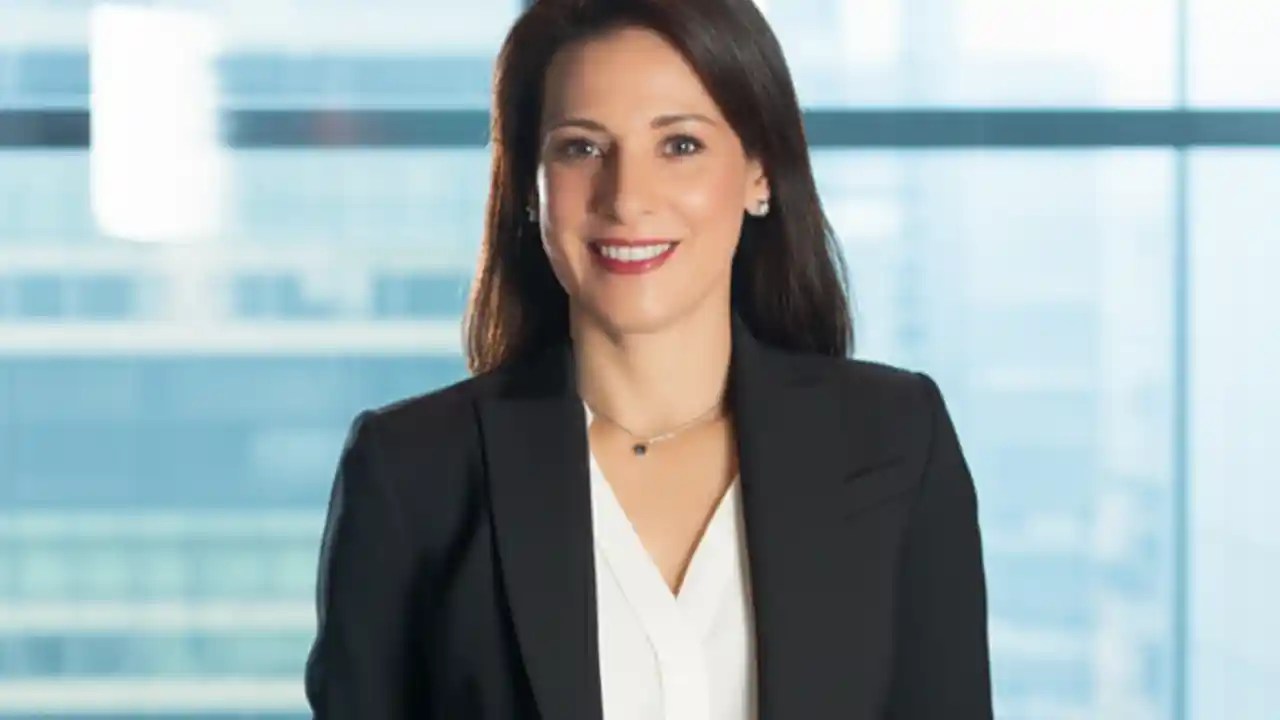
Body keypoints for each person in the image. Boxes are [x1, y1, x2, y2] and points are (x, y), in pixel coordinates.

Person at [303, 0, 993, 717]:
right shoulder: (413, 473)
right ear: (530, 188)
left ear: (760, 171)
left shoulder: (894, 440)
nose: (627, 199)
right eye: (582, 148)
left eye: (681, 145)